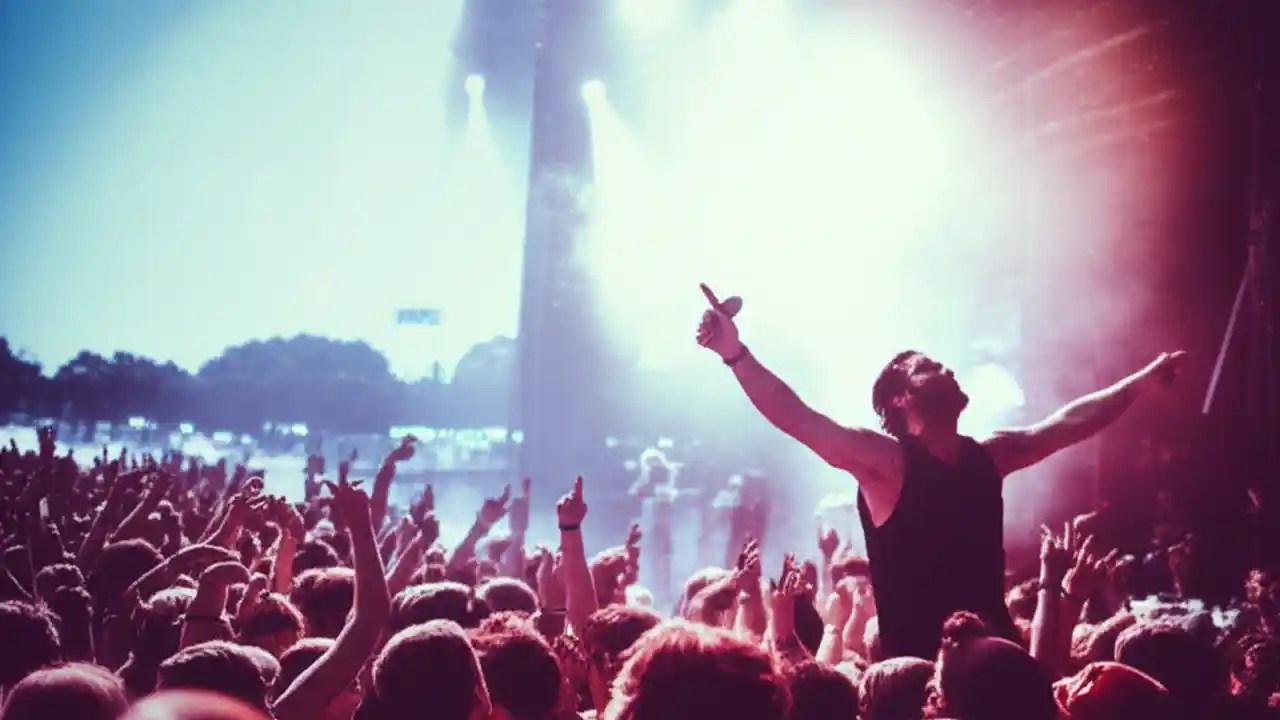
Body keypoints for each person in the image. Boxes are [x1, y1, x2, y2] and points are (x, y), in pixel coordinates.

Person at [695, 282, 1187, 658]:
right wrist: (735, 354)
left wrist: (1140, 383)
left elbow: (1070, 423)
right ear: (901, 397)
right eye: (930, 367)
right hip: (923, 677)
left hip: (998, 661)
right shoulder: (886, 464)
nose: (948, 369)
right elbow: (798, 417)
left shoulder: (990, 456)